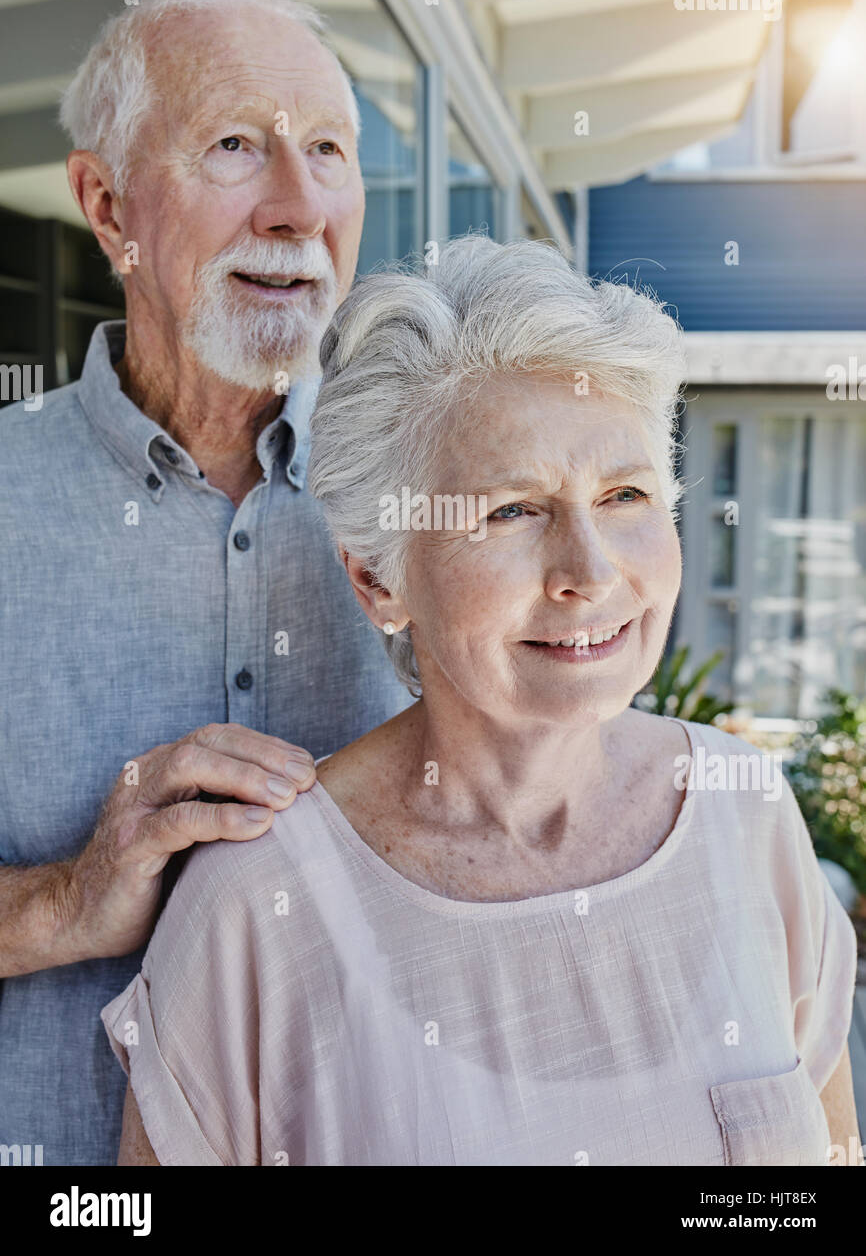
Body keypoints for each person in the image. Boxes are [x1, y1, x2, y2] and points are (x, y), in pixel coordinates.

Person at [103, 235, 860, 1166]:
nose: (589, 572)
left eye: (625, 494)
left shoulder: (748, 811)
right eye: (510, 511)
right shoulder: (260, 905)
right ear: (379, 580)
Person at [0, 0, 412, 1166]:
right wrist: (68, 897)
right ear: (105, 202)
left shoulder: (436, 502)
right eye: (234, 144)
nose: (296, 207)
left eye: (327, 150)